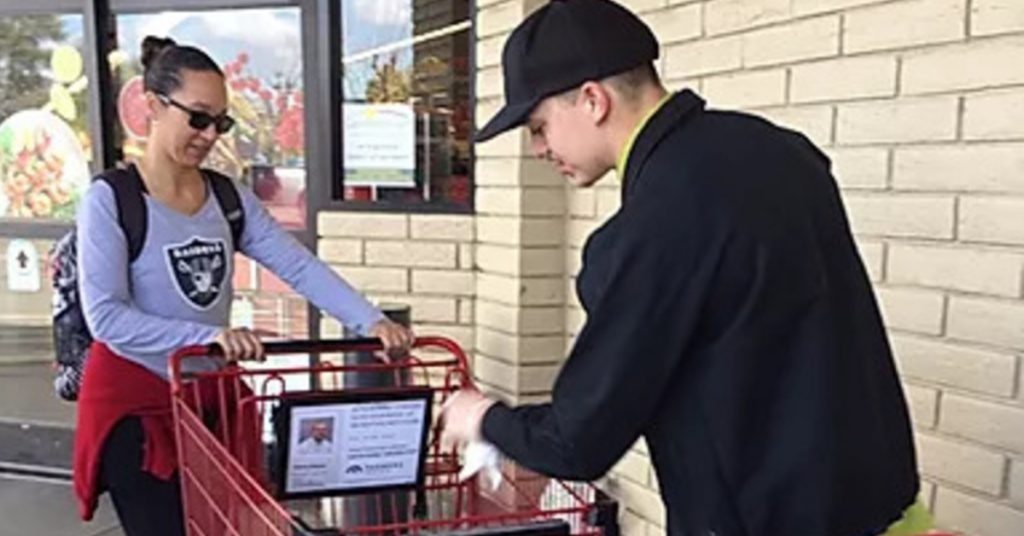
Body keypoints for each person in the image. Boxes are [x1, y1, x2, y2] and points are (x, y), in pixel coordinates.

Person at [440, 1, 929, 535]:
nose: (539, 148)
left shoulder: (655, 222)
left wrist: (482, 417)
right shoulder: (783, 151)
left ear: (592, 100)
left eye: (539, 126)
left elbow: (577, 440)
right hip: (891, 512)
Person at [72, 36, 413, 536]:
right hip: (138, 403)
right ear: (153, 106)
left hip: (208, 397)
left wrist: (370, 321)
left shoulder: (227, 198)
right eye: (198, 118)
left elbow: (297, 266)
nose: (210, 135)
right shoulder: (112, 199)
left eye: (221, 123)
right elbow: (106, 317)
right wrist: (208, 337)